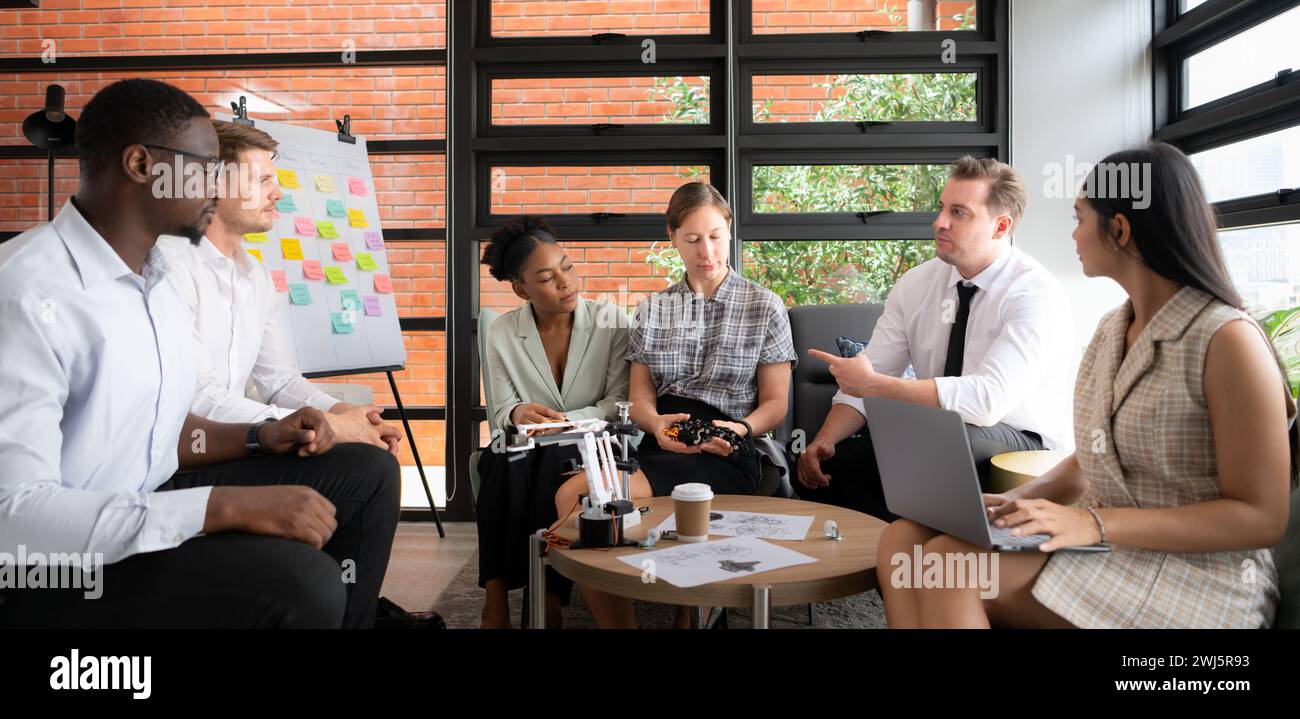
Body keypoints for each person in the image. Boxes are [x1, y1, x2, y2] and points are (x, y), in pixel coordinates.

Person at [0, 79, 400, 629]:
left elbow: (159, 428)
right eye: (205, 165)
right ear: (142, 165)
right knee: (302, 583)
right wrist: (221, 506)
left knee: (361, 478)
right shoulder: (27, 289)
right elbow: (12, 518)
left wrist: (263, 435)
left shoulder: (153, 279)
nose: (215, 185)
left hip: (142, 506)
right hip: (54, 567)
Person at [876, 142, 1297, 628]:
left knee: (951, 570)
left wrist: (1094, 522)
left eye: (1079, 218)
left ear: (1119, 229)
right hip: (1111, 544)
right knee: (903, 541)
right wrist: (1019, 499)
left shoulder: (1227, 341)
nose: (1073, 234)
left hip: (1199, 575)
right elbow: (1092, 456)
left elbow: (1262, 517)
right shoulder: (1111, 329)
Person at [554, 182, 797, 628]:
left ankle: (693, 617)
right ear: (671, 237)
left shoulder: (765, 306)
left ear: (729, 230)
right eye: (692, 239)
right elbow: (641, 397)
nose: (707, 251)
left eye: (716, 236)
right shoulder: (654, 309)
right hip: (662, 436)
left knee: (581, 494)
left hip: (729, 443)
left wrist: (734, 430)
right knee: (577, 496)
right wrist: (656, 424)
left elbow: (775, 404)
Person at [798, 157, 1074, 520]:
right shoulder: (917, 284)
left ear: (1000, 226)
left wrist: (874, 385)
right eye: (942, 208)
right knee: (828, 471)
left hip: (1025, 440)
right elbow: (870, 373)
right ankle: (892, 556)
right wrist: (825, 440)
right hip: (939, 432)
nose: (939, 222)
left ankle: (920, 552)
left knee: (945, 443)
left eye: (959, 212)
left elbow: (986, 401)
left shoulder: (1035, 294)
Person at [158, 119, 400, 452]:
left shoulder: (256, 276)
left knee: (368, 454)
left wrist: (339, 411)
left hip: (235, 444)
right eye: (262, 180)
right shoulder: (168, 266)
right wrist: (323, 423)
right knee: (364, 464)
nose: (279, 193)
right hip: (180, 454)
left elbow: (279, 380)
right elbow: (197, 399)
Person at [475, 216, 630, 629]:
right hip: (528, 442)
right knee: (499, 458)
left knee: (553, 460)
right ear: (521, 289)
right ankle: (496, 596)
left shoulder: (611, 321)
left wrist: (566, 422)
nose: (565, 281)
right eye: (547, 277)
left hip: (595, 441)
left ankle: (547, 597)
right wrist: (517, 412)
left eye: (567, 266)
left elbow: (618, 402)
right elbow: (501, 408)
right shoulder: (503, 332)